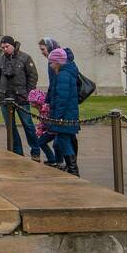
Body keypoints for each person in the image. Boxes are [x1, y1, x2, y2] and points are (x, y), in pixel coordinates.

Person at [0, 36, 36, 158]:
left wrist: (28, 93)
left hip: (22, 98)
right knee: (10, 128)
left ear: (13, 45)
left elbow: (32, 76)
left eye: (7, 46)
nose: (5, 49)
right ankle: (18, 153)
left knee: (28, 125)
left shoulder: (25, 58)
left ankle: (35, 151)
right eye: (2, 47)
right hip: (5, 98)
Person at [45, 47, 80, 176]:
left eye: (52, 62)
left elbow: (62, 98)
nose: (51, 65)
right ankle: (71, 167)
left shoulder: (63, 76)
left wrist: (57, 116)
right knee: (65, 140)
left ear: (58, 62)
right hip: (68, 114)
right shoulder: (65, 74)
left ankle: (73, 169)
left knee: (63, 141)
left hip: (64, 115)